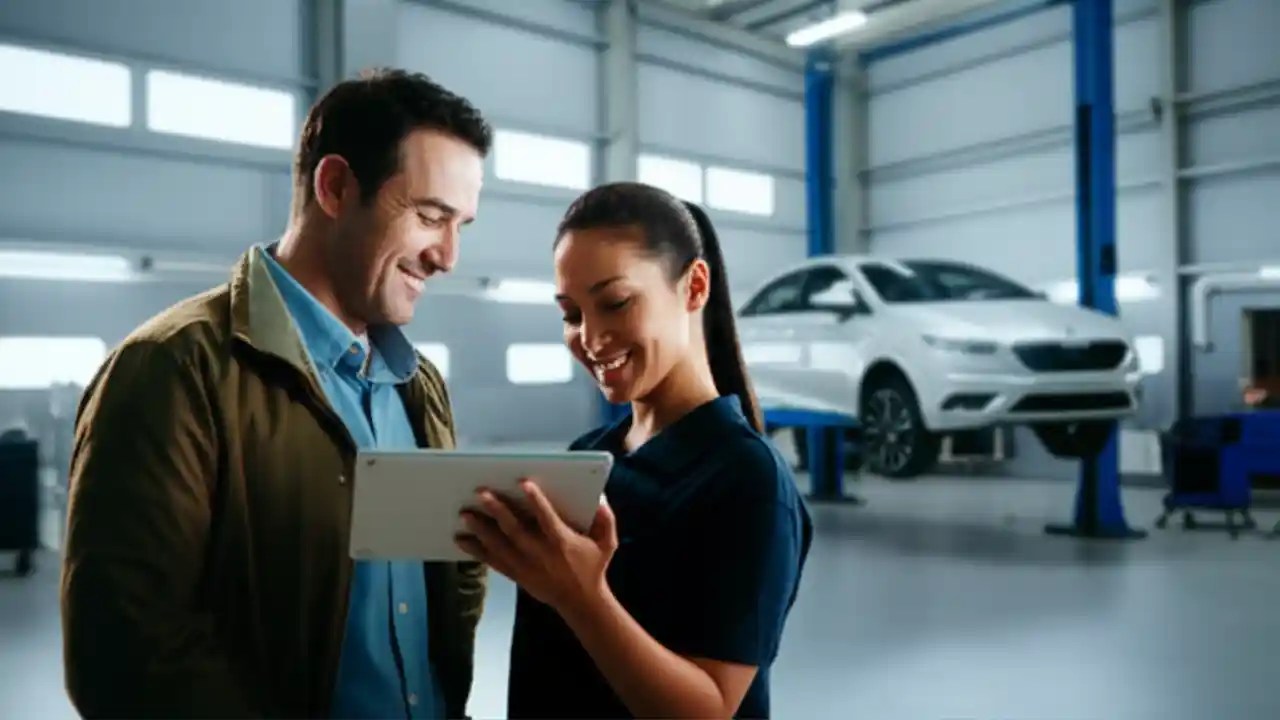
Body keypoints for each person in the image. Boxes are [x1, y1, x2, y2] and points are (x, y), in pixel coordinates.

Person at [61, 68, 491, 718]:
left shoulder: (417, 384)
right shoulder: (173, 370)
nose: (448, 256)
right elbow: (125, 656)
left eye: (462, 224)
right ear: (337, 187)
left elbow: (451, 579)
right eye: (431, 217)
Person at [456, 182, 813, 719]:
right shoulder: (587, 458)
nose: (591, 336)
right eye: (571, 313)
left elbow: (709, 710)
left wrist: (581, 597)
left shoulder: (748, 480)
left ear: (693, 287)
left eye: (616, 303)